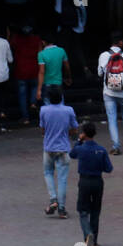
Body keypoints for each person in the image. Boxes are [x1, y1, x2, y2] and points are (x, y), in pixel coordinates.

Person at [69, 121, 113, 246]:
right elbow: (108, 168)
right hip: (98, 181)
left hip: (84, 181)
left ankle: (88, 234)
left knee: (83, 211)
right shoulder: (101, 150)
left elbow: (72, 154)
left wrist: (78, 140)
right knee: (95, 211)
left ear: (84, 134)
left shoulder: (80, 149)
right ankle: (95, 239)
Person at [40, 86, 79, 218]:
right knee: (62, 179)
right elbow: (74, 128)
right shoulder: (68, 110)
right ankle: (62, 209)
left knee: (48, 173)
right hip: (63, 147)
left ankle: (53, 199)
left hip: (49, 147)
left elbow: (43, 129)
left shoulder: (44, 110)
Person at [9, 24, 42, 125]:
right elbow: (40, 52)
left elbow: (9, 46)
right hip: (34, 69)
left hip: (21, 70)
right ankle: (32, 103)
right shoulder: (37, 39)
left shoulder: (16, 39)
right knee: (34, 88)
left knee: (22, 95)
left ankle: (26, 118)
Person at [35, 32, 69, 106]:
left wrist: (39, 89)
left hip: (47, 83)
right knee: (60, 104)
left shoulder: (41, 54)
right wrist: (68, 77)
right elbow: (67, 67)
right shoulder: (61, 51)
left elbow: (41, 72)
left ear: (43, 42)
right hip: (58, 82)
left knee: (47, 105)